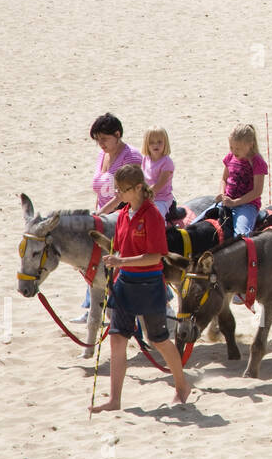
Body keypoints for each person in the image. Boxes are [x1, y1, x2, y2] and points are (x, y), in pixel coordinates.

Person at [90, 164, 192, 413]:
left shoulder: (152, 215)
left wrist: (121, 260)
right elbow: (122, 248)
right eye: (117, 190)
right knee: (116, 338)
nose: (118, 195)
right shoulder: (125, 214)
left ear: (138, 188)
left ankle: (181, 386)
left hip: (149, 284)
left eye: (122, 190)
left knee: (158, 340)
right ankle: (115, 400)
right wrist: (114, 258)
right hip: (124, 283)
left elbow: (155, 256)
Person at [73, 112, 144, 323]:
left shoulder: (131, 156)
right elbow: (101, 190)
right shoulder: (103, 155)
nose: (101, 144)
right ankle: (91, 307)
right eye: (98, 140)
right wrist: (98, 212)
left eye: (104, 139)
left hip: (122, 214)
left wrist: (102, 215)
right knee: (91, 257)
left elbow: (126, 193)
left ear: (117, 134)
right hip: (103, 214)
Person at [219, 124, 267, 237]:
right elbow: (224, 179)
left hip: (247, 205)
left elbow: (257, 192)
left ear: (250, 145)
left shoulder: (257, 162)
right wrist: (221, 194)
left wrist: (235, 202)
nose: (234, 151)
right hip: (227, 200)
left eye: (238, 148)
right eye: (231, 147)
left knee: (241, 236)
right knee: (197, 222)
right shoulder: (230, 157)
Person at [141, 127, 176, 220]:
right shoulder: (145, 159)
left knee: (155, 216)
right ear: (146, 144)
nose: (155, 145)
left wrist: (144, 195)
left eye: (159, 142)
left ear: (165, 143)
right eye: (151, 142)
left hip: (162, 198)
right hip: (146, 196)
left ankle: (160, 233)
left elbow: (159, 185)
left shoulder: (166, 162)